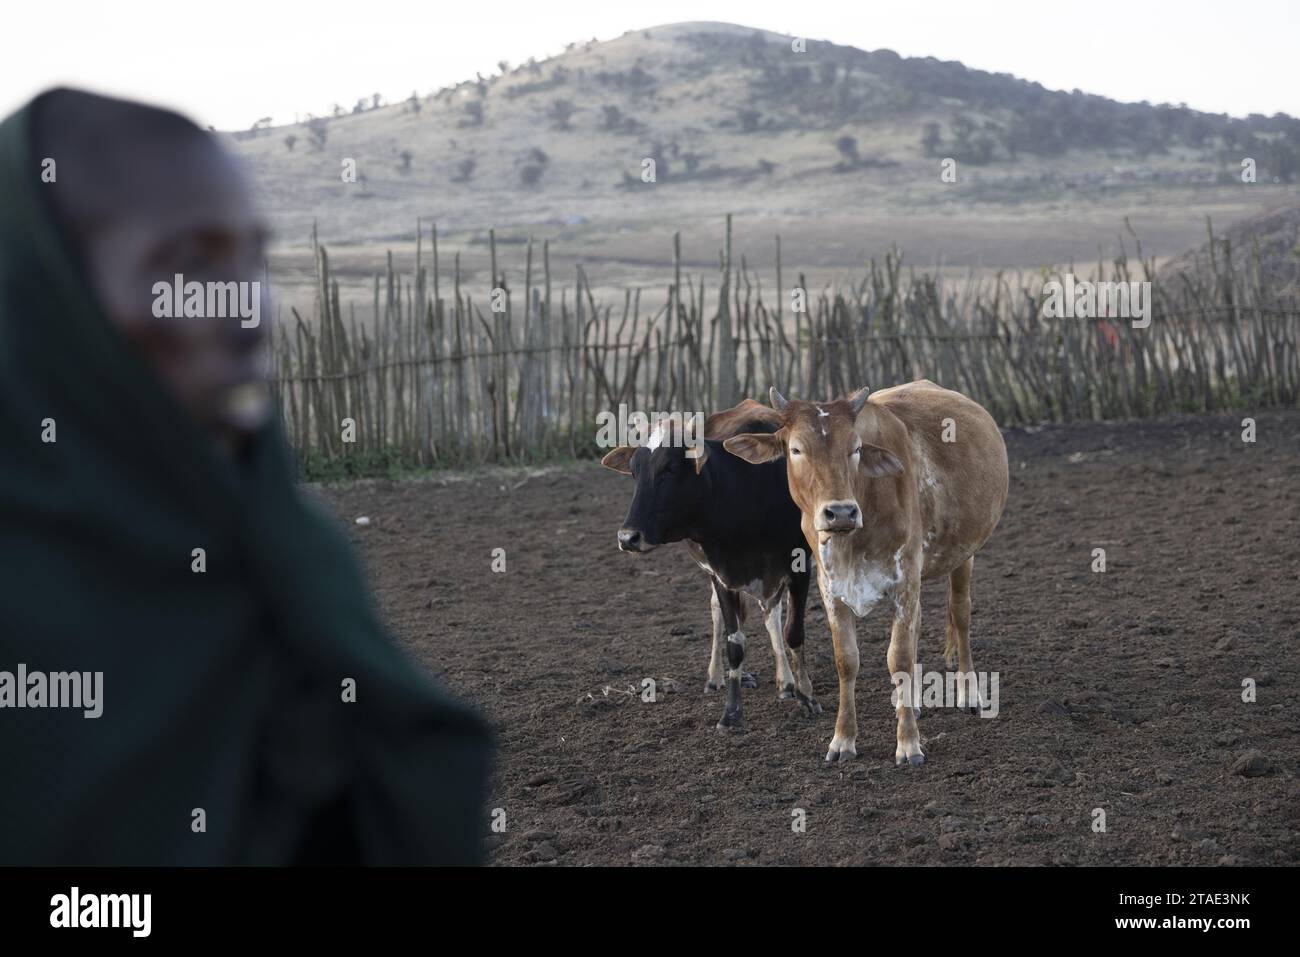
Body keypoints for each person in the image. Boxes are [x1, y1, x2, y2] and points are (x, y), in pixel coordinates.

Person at [0, 89, 491, 865]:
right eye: (192, 263)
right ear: (47, 298)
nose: (249, 312)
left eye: (254, 259)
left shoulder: (290, 554)